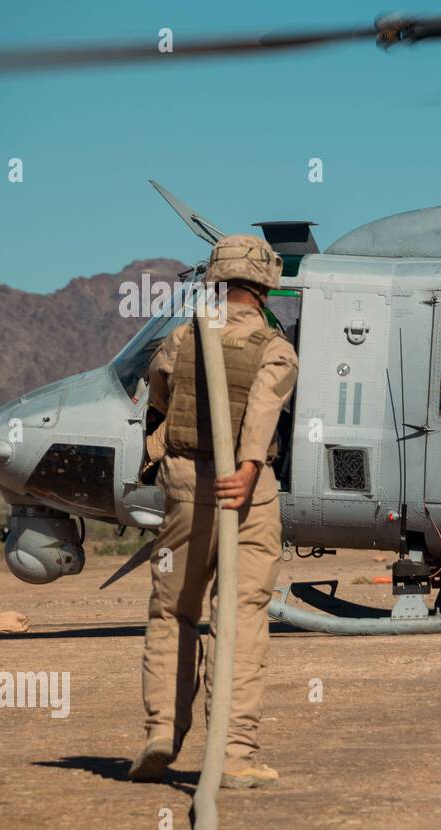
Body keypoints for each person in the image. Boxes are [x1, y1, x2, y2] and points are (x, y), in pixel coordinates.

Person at [129, 234, 298, 789]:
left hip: (184, 488)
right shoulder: (276, 347)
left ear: (215, 280)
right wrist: (249, 468)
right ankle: (234, 753)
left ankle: (161, 730)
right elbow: (265, 412)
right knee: (242, 617)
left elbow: (155, 397)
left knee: (172, 610)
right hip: (249, 495)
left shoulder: (181, 339)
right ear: (265, 283)